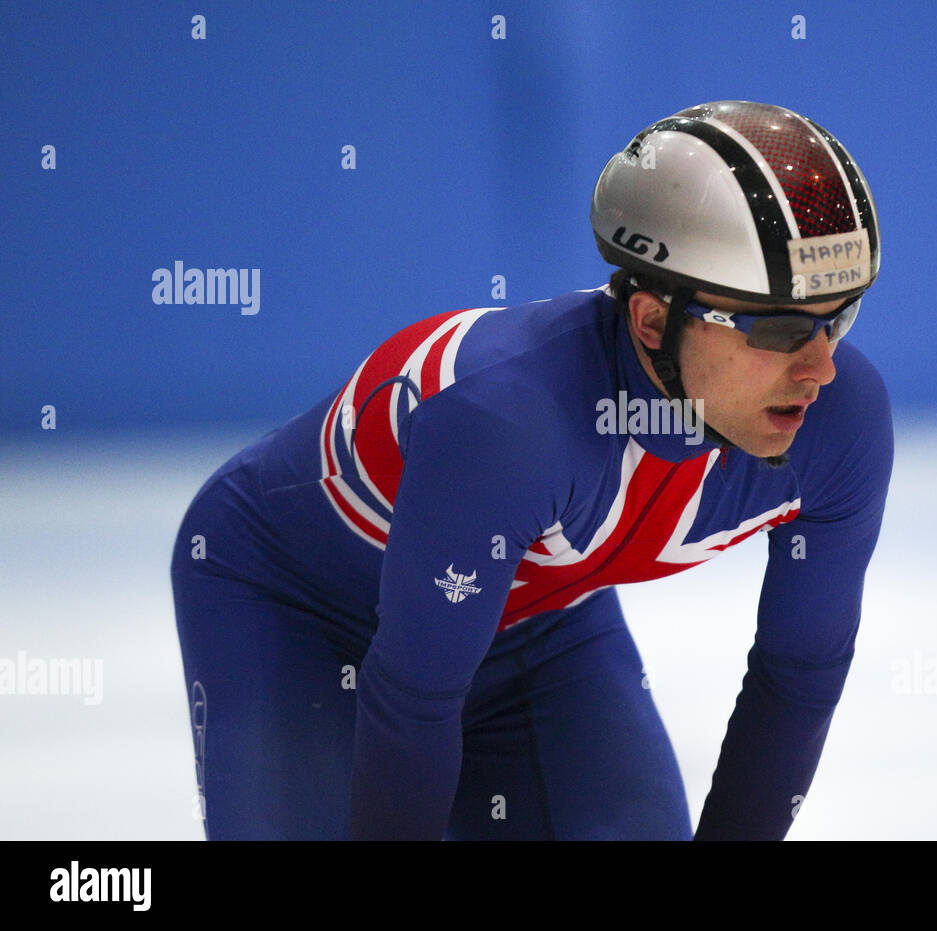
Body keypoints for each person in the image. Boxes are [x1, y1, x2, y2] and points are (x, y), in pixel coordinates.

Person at [170, 100, 893, 841]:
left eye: (839, 318)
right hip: (298, 609)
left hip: (534, 626)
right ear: (651, 322)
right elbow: (414, 698)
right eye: (776, 328)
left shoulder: (839, 425)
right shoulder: (508, 424)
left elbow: (798, 675)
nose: (821, 367)